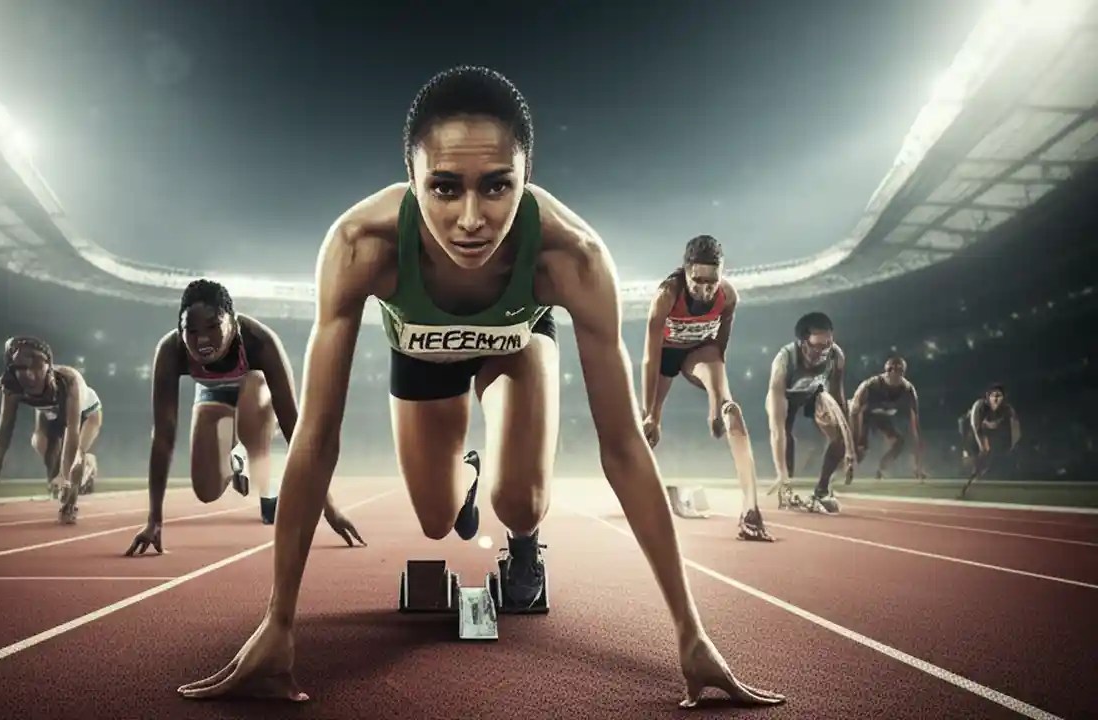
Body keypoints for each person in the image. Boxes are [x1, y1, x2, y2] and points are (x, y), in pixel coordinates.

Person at [177, 65, 783, 709]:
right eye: (444, 188)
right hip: (423, 352)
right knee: (436, 521)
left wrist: (691, 632)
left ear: (527, 176)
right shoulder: (360, 245)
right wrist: (279, 621)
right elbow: (316, 438)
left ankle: (522, 546)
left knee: (520, 501)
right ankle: (466, 476)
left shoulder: (571, 256)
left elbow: (625, 448)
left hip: (515, 343)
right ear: (410, 178)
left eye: (497, 186)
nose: (471, 220)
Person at [125, 279, 365, 556]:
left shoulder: (259, 342)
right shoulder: (171, 350)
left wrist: (329, 507)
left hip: (255, 392)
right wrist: (154, 520)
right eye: (191, 331)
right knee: (206, 491)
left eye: (213, 327)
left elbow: (295, 428)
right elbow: (163, 437)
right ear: (180, 330)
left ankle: (258, 457)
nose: (202, 340)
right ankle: (236, 461)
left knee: (252, 388)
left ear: (233, 322)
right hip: (213, 397)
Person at [640, 235, 772, 541]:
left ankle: (751, 511)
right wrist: (651, 413)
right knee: (645, 431)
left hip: (699, 352)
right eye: (697, 281)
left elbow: (719, 348)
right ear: (685, 272)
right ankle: (638, 492)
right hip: (666, 353)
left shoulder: (728, 297)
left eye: (712, 281)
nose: (705, 289)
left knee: (731, 409)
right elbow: (650, 357)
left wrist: (716, 398)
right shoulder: (666, 296)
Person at [0, 337, 102, 524]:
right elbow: (5, 425)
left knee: (76, 455)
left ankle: (71, 501)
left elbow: (72, 431)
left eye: (36, 367)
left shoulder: (70, 380)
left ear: (48, 367)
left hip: (85, 413)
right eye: (21, 368)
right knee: (38, 442)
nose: (29, 375)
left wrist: (64, 476)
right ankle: (65, 478)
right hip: (50, 412)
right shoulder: (11, 386)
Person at [764, 312, 855, 513]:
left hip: (814, 393)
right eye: (817, 347)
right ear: (803, 343)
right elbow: (776, 429)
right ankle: (786, 489)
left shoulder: (836, 355)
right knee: (785, 434)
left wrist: (849, 449)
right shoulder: (784, 360)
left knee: (839, 434)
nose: (823, 352)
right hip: (785, 395)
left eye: (828, 344)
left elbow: (838, 397)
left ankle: (822, 490)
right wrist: (781, 472)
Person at [849, 355, 925, 480]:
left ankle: (882, 468)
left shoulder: (908, 390)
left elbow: (915, 427)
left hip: (881, 415)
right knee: (860, 449)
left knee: (898, 442)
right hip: (862, 414)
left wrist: (918, 466)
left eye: (899, 370)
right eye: (891, 370)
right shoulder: (871, 385)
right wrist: (855, 441)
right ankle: (838, 470)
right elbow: (854, 411)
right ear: (886, 370)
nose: (894, 374)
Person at [959, 384, 1020, 496]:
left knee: (988, 455)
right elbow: (975, 426)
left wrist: (1013, 444)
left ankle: (979, 473)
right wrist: (982, 447)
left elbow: (1016, 428)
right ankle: (968, 470)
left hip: (987, 429)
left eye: (999, 396)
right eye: (993, 396)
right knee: (981, 452)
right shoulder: (980, 406)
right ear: (988, 397)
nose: (996, 399)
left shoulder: (1007, 409)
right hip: (970, 426)